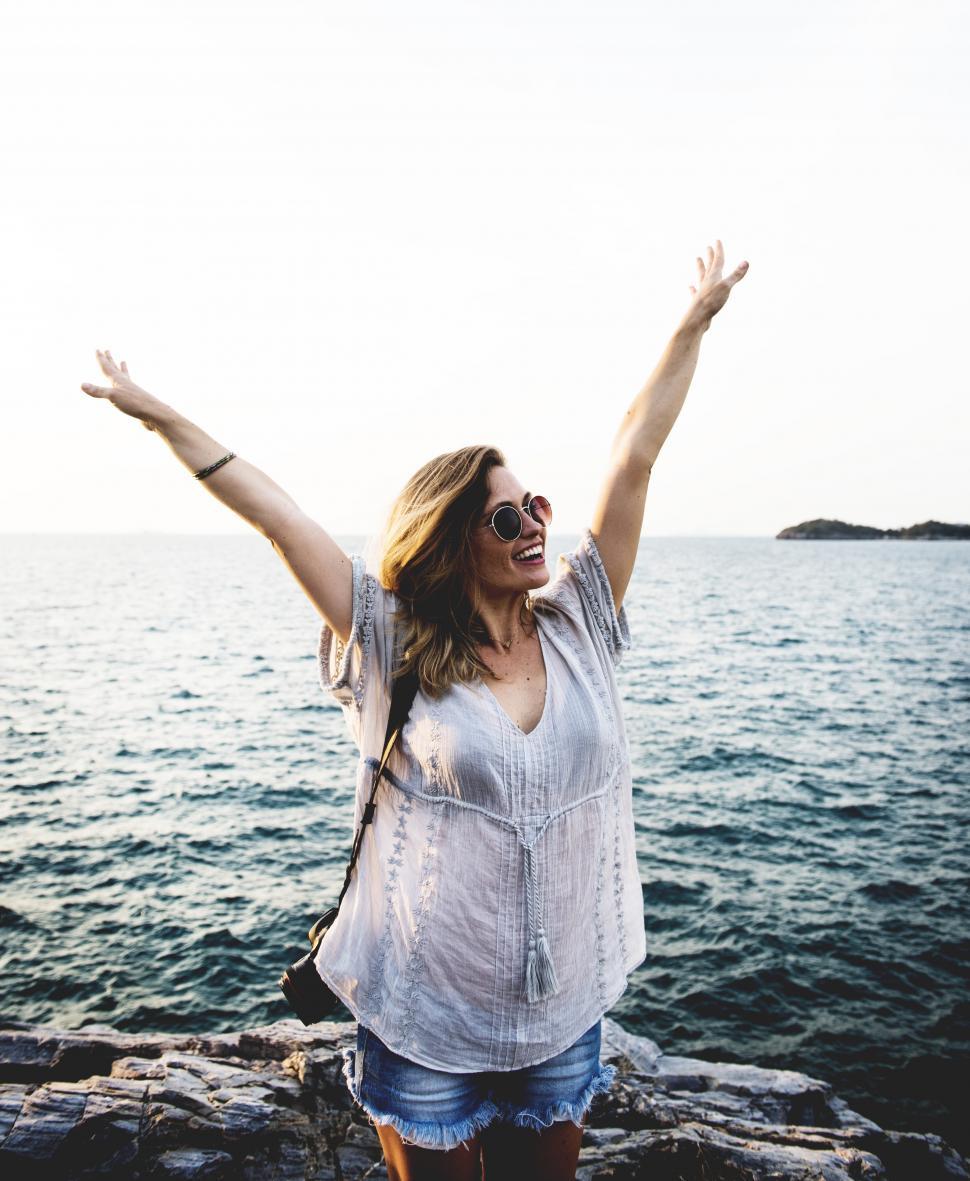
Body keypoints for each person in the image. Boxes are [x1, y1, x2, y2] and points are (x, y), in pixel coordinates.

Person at [80, 240, 748, 1181]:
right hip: (426, 1011)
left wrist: (694, 320)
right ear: (450, 541)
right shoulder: (393, 639)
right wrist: (156, 414)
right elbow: (279, 516)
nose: (533, 528)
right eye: (504, 518)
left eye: (534, 508)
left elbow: (634, 453)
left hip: (558, 1014)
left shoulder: (581, 618)